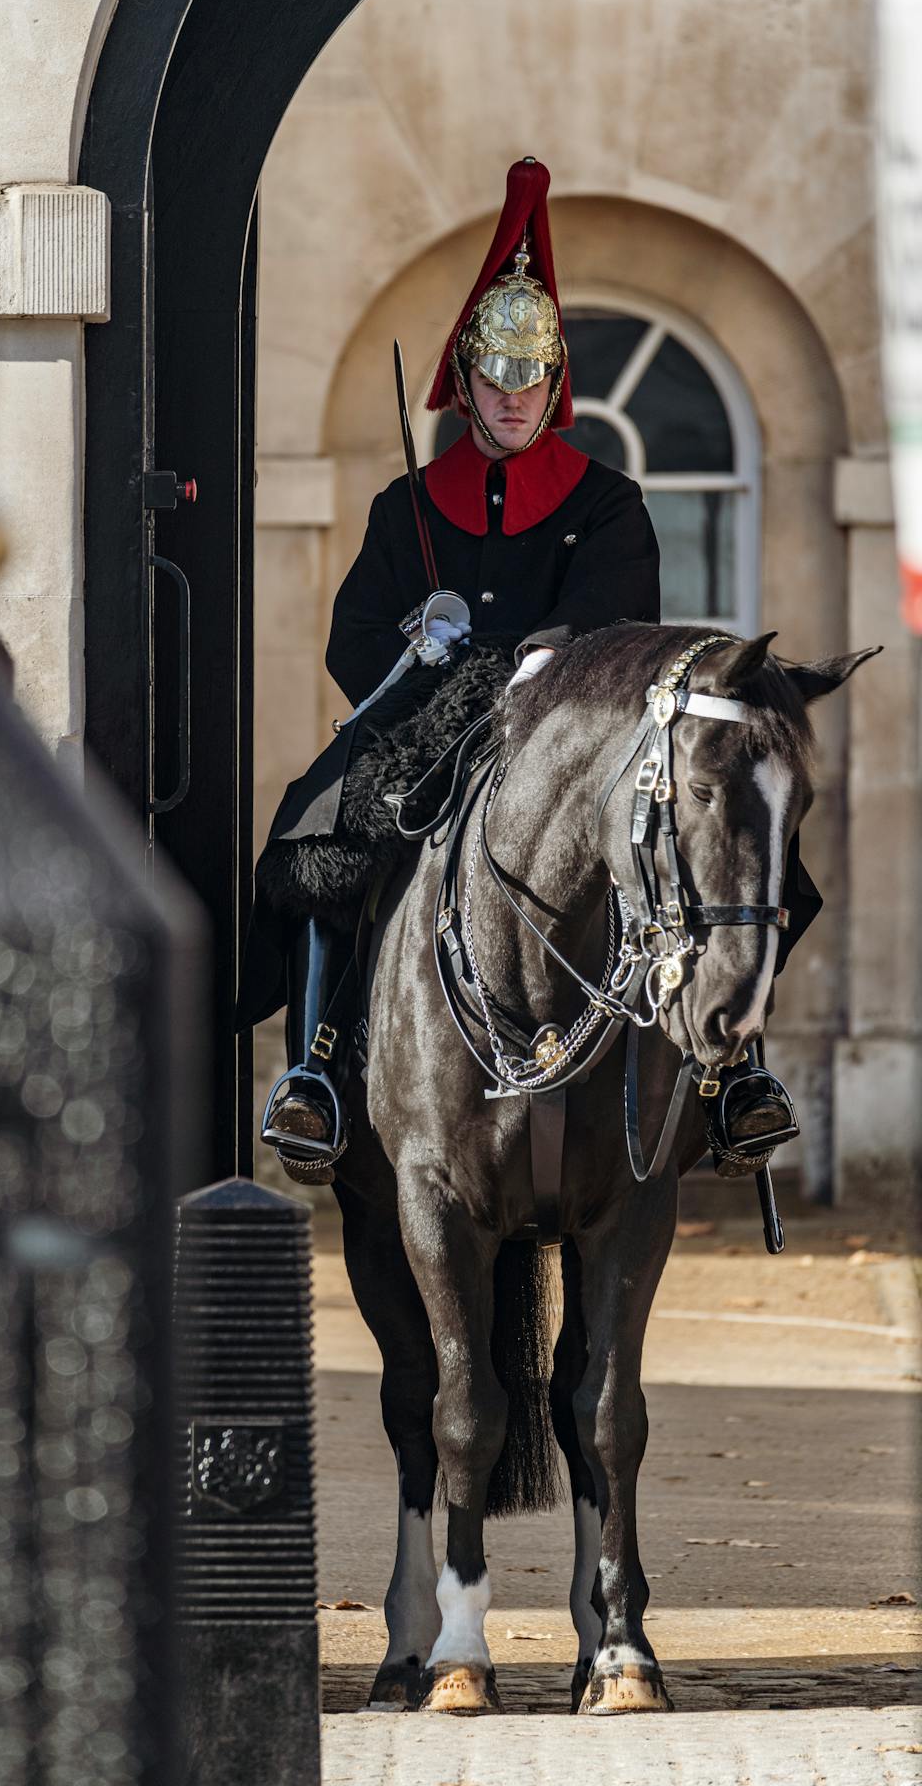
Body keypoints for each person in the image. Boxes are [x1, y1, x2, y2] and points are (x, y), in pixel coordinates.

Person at [238, 157, 799, 1182]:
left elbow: (622, 614)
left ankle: (731, 1076)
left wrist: (547, 653)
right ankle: (315, 1069)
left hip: (570, 719)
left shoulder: (608, 501)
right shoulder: (405, 504)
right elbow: (348, 633)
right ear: (465, 381)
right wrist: (418, 654)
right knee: (320, 821)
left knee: (721, 830)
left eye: (527, 378)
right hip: (428, 717)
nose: (509, 398)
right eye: (492, 380)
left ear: (555, 382)